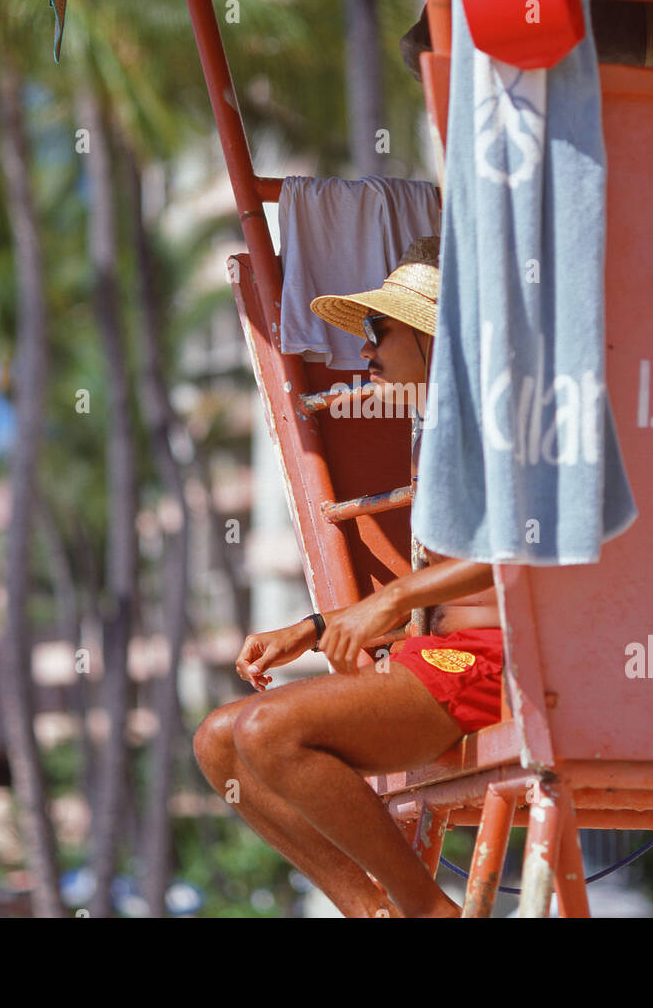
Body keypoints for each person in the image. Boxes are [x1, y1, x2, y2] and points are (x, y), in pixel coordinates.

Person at [192, 235, 503, 918]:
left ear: (431, 333)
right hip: (438, 660)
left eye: (377, 328)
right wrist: (313, 627)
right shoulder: (441, 432)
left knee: (270, 730)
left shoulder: (503, 421)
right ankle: (371, 909)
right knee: (216, 740)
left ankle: (426, 909)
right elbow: (441, 585)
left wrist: (387, 599)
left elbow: (530, 548)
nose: (365, 348)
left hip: (491, 668)